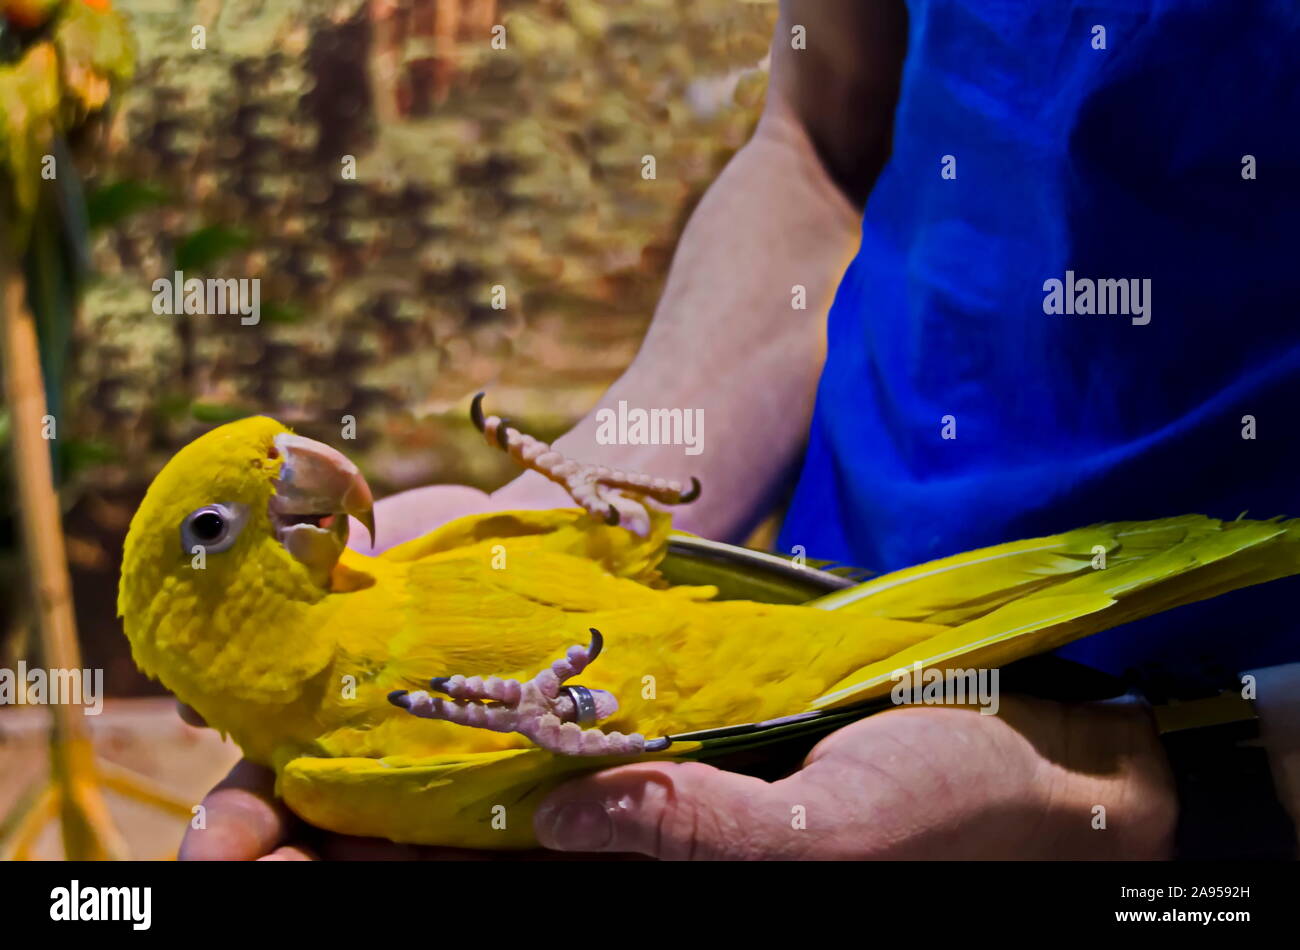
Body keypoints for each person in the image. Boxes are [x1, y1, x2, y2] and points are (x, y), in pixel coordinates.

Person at [179, 0, 1300, 860]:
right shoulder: (334, 752)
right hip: (833, 621)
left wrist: (1132, 780)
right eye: (219, 521)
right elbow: (814, 149)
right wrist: (613, 472)